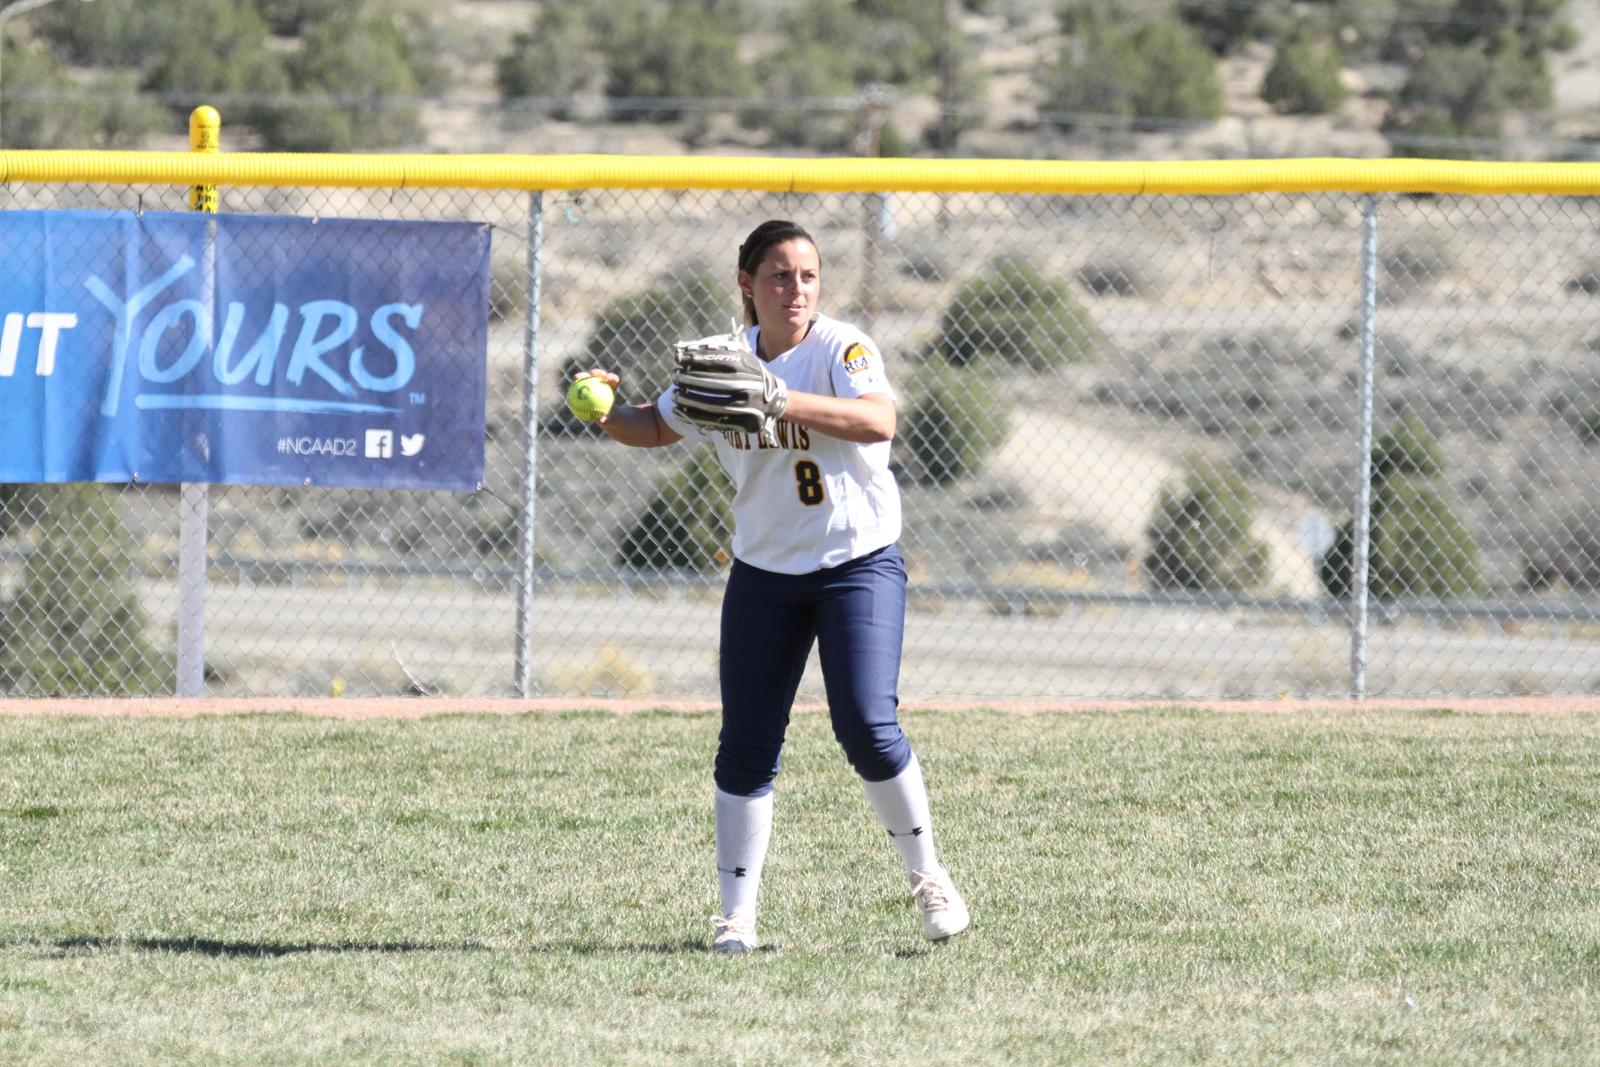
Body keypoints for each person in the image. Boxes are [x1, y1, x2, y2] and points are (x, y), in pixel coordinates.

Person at [574, 219, 968, 954]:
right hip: (763, 573)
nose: (797, 290)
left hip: (857, 564)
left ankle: (928, 876)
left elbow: (877, 418)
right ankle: (736, 916)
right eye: (780, 276)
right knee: (746, 745)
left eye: (809, 275)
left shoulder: (841, 346)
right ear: (746, 284)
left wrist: (779, 399)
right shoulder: (724, 363)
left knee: (866, 725)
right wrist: (602, 410)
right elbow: (656, 427)